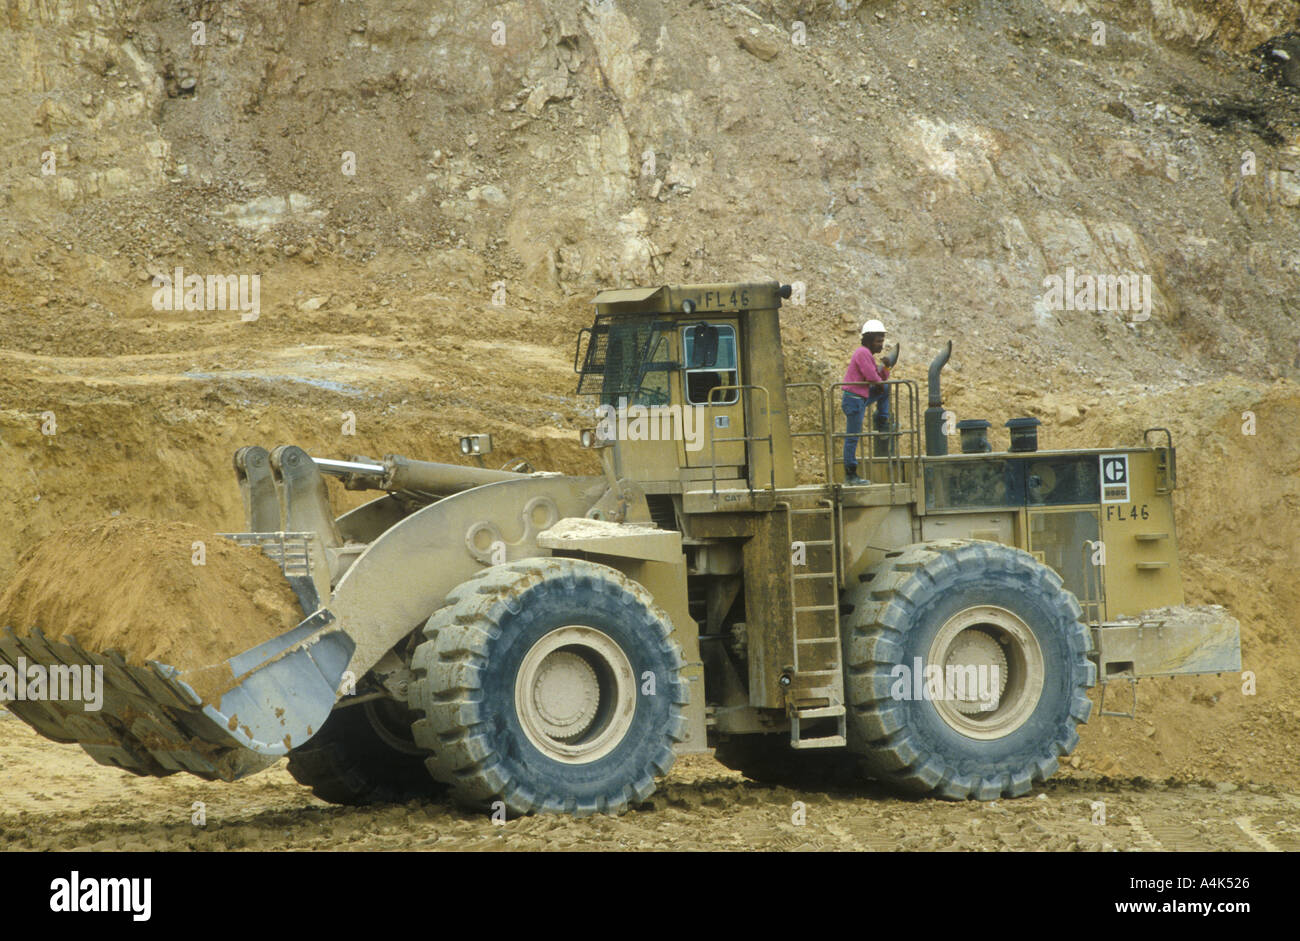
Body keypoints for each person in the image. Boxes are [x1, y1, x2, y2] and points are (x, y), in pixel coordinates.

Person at [842, 318, 891, 485]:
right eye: (878, 341)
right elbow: (872, 377)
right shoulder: (862, 353)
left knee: (886, 389)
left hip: (859, 397)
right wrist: (879, 381)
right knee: (853, 437)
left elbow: (878, 379)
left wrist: (886, 368)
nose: (881, 345)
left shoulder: (867, 354)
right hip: (854, 399)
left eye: (882, 341)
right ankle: (850, 474)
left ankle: (882, 420)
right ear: (869, 340)